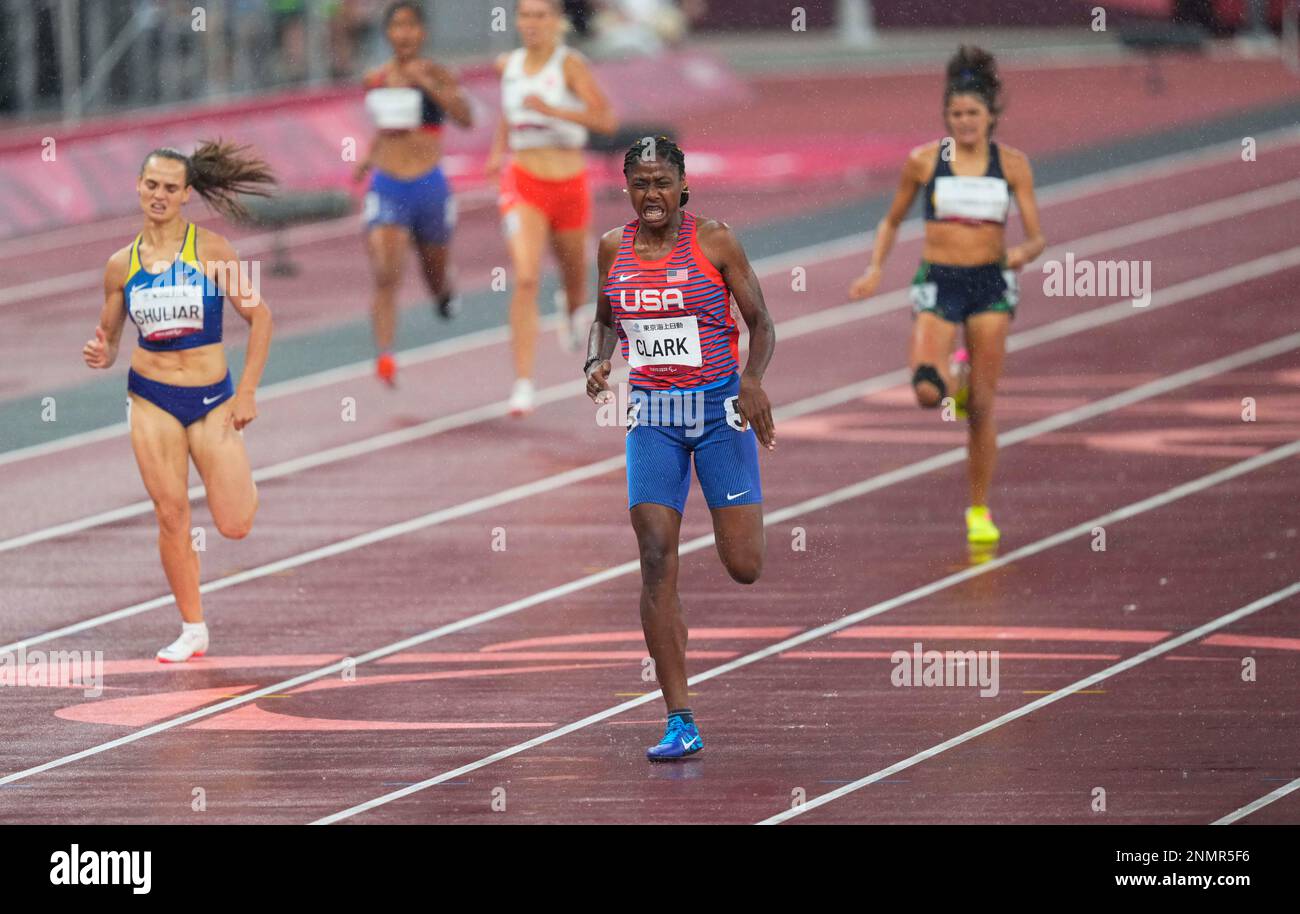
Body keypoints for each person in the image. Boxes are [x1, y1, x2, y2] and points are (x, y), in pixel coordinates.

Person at [586, 136, 776, 760]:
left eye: (662, 182)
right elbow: (607, 316)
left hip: (719, 413)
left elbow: (762, 323)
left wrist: (751, 382)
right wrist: (597, 359)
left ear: (683, 186)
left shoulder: (715, 241)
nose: (651, 195)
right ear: (627, 191)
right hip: (654, 418)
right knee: (654, 554)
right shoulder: (613, 248)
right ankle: (679, 716)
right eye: (640, 184)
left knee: (743, 565)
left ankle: (681, 617)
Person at [82, 142, 275, 662]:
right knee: (171, 514)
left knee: (234, 524)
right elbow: (110, 336)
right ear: (138, 188)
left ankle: (238, 480)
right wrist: (101, 352)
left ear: (187, 194)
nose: (160, 195)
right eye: (152, 185)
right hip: (151, 399)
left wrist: (249, 391)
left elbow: (260, 318)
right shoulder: (120, 266)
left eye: (170, 187)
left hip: (213, 400)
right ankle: (193, 626)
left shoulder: (211, 251)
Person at [848, 46, 1045, 545]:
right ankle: (948, 374)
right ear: (946, 117)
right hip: (938, 279)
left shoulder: (1014, 165)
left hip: (990, 284)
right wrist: (874, 269)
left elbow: (1037, 235)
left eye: (973, 113)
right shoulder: (923, 162)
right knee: (926, 393)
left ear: (991, 116)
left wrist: (1023, 253)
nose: (965, 122)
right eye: (956, 114)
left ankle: (978, 508)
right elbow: (891, 220)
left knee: (981, 405)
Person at [489, 0, 617, 415]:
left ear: (557, 22)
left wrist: (554, 110)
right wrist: (497, 152)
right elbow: (510, 113)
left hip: (568, 183)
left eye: (541, 15)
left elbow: (606, 120)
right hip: (523, 180)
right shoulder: (506, 64)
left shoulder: (569, 65)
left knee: (574, 276)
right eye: (525, 15)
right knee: (525, 277)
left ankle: (571, 306)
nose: (532, 23)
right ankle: (523, 383)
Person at [355, 0, 473, 386]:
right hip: (388, 183)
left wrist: (428, 85)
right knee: (386, 270)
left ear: (421, 32)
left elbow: (466, 118)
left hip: (429, 185)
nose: (403, 33)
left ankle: (443, 293)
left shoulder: (438, 72)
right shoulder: (375, 78)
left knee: (432, 271)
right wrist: (367, 158)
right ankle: (385, 355)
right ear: (387, 33)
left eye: (410, 26)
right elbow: (386, 127)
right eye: (396, 26)